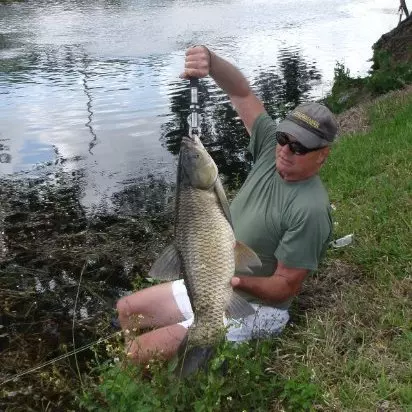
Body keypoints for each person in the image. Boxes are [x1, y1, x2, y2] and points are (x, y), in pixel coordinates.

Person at [116, 45, 338, 364]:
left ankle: (163, 375)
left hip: (252, 303)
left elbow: (285, 286)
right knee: (126, 311)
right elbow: (242, 93)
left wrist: (232, 280)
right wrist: (212, 61)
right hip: (211, 269)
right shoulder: (269, 152)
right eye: (284, 138)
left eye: (300, 147)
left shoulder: (311, 210)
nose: (286, 150)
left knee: (138, 353)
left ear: (322, 154)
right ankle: (147, 378)